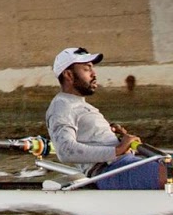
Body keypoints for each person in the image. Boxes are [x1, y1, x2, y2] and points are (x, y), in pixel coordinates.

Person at [44, 47, 166, 189]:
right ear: (69, 75)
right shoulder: (62, 106)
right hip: (111, 172)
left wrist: (117, 137)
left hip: (125, 165)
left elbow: (91, 139)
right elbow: (66, 151)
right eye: (86, 69)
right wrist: (118, 150)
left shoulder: (77, 104)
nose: (94, 74)